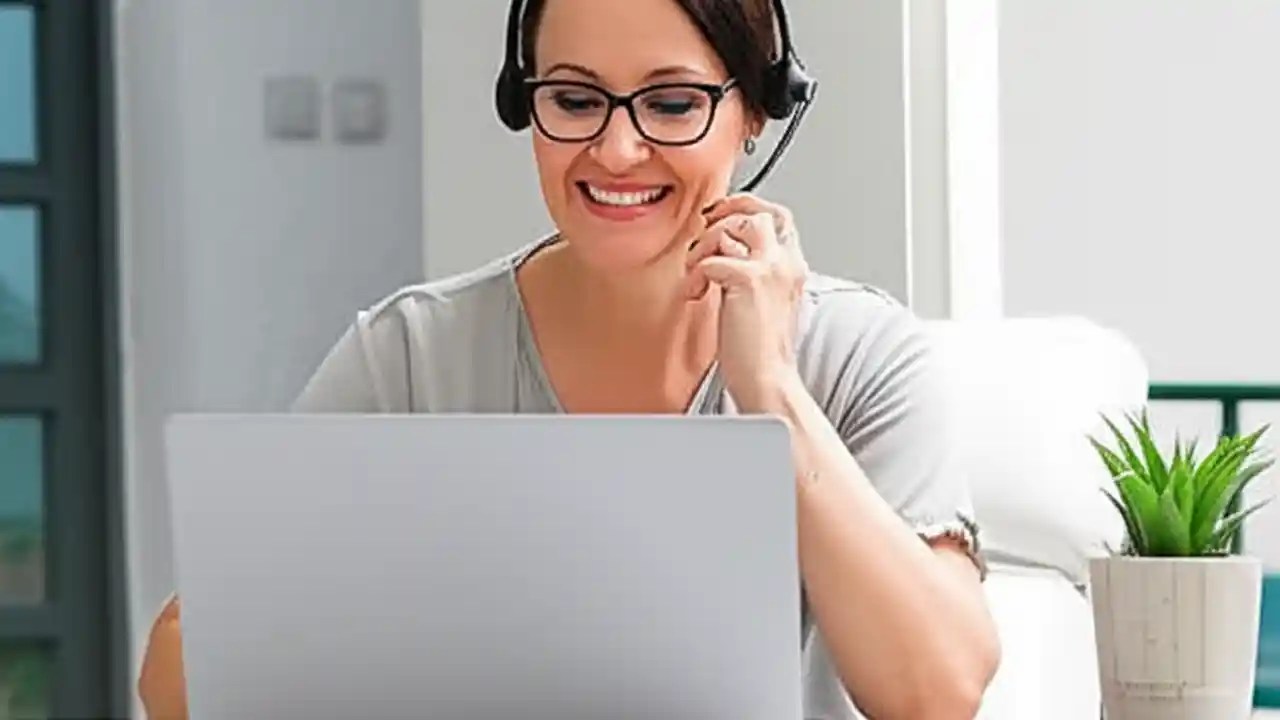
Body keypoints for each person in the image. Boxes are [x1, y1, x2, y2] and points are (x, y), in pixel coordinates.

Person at [138, 0, 1001, 717]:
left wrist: (771, 389)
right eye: (576, 99)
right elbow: (174, 679)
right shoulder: (408, 354)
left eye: (670, 104)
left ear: (755, 112)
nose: (616, 151)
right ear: (526, 103)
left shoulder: (862, 356)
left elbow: (936, 695)